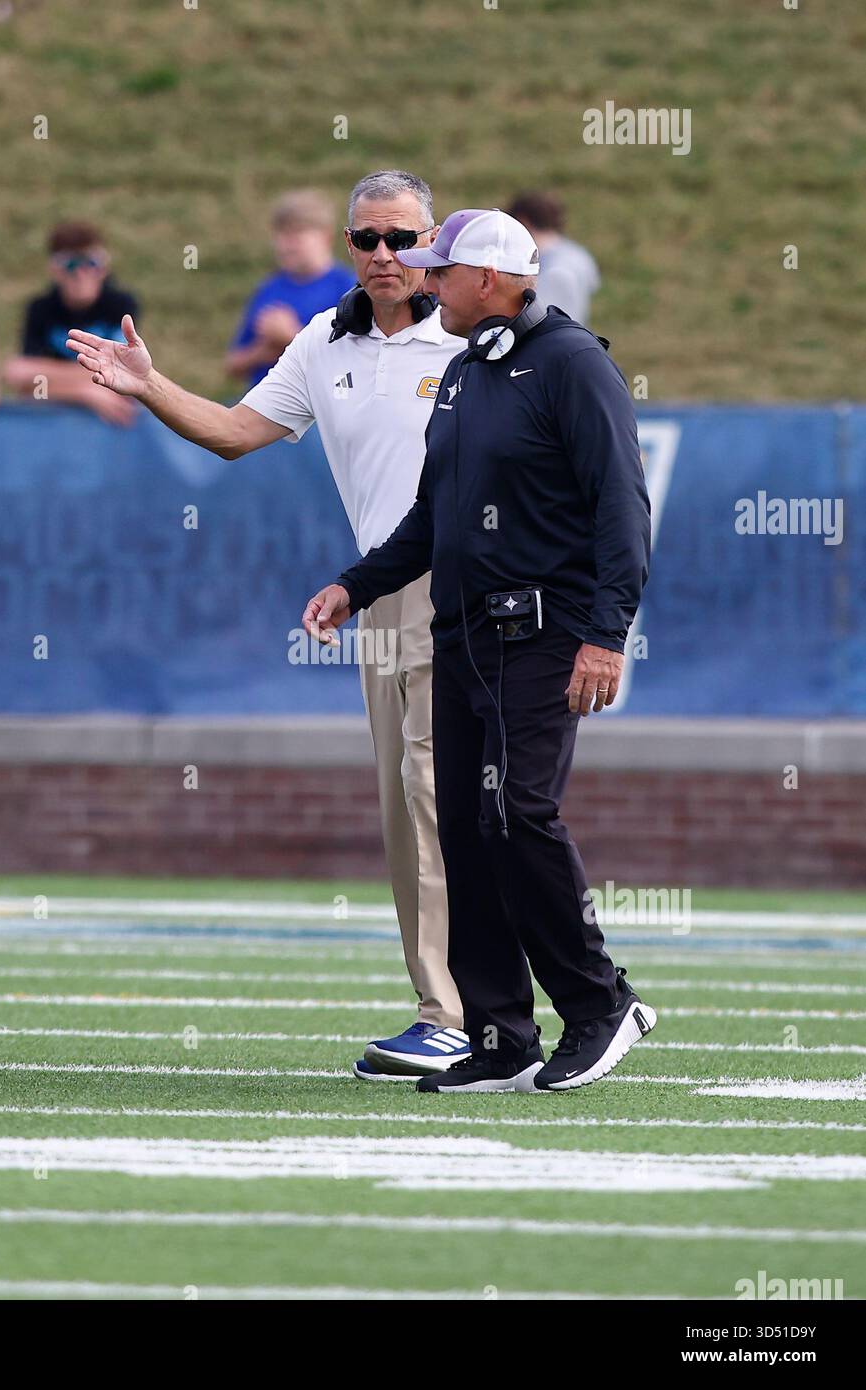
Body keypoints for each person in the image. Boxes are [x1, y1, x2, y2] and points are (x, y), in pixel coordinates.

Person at [66, 170, 471, 1081]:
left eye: (401, 238)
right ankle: (483, 1005)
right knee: (409, 806)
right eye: (365, 239)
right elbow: (234, 431)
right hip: (384, 589)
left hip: (468, 588)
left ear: (434, 239)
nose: (382, 256)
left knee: (437, 792)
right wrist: (150, 384)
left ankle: (460, 1011)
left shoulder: (474, 334)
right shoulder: (325, 338)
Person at [302, 209, 656, 1094]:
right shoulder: (465, 371)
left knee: (519, 816)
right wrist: (358, 583)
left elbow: (622, 509)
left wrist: (604, 638)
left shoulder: (574, 365)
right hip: (460, 633)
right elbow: (433, 517)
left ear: (491, 281)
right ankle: (501, 1031)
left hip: (542, 634)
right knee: (461, 827)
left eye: (440, 271)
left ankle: (600, 1003)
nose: (425, 282)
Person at [5, 221, 140, 426]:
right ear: (55, 270)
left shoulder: (120, 305)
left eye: (92, 263)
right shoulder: (41, 309)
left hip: (110, 422)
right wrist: (84, 393)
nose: (82, 274)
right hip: (52, 422)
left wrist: (51, 377)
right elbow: (21, 379)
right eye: (71, 265)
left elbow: (124, 372)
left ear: (104, 268)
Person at [225, 190, 354, 388]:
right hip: (260, 404)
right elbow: (232, 364)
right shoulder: (268, 289)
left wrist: (291, 337)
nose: (287, 245)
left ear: (326, 237)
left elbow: (355, 360)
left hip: (318, 407)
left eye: (297, 234)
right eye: (282, 235)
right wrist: (261, 353)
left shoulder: (348, 290)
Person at [506, 191, 600, 325]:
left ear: (523, 221)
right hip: (579, 335)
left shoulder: (549, 268)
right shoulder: (580, 255)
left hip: (554, 340)